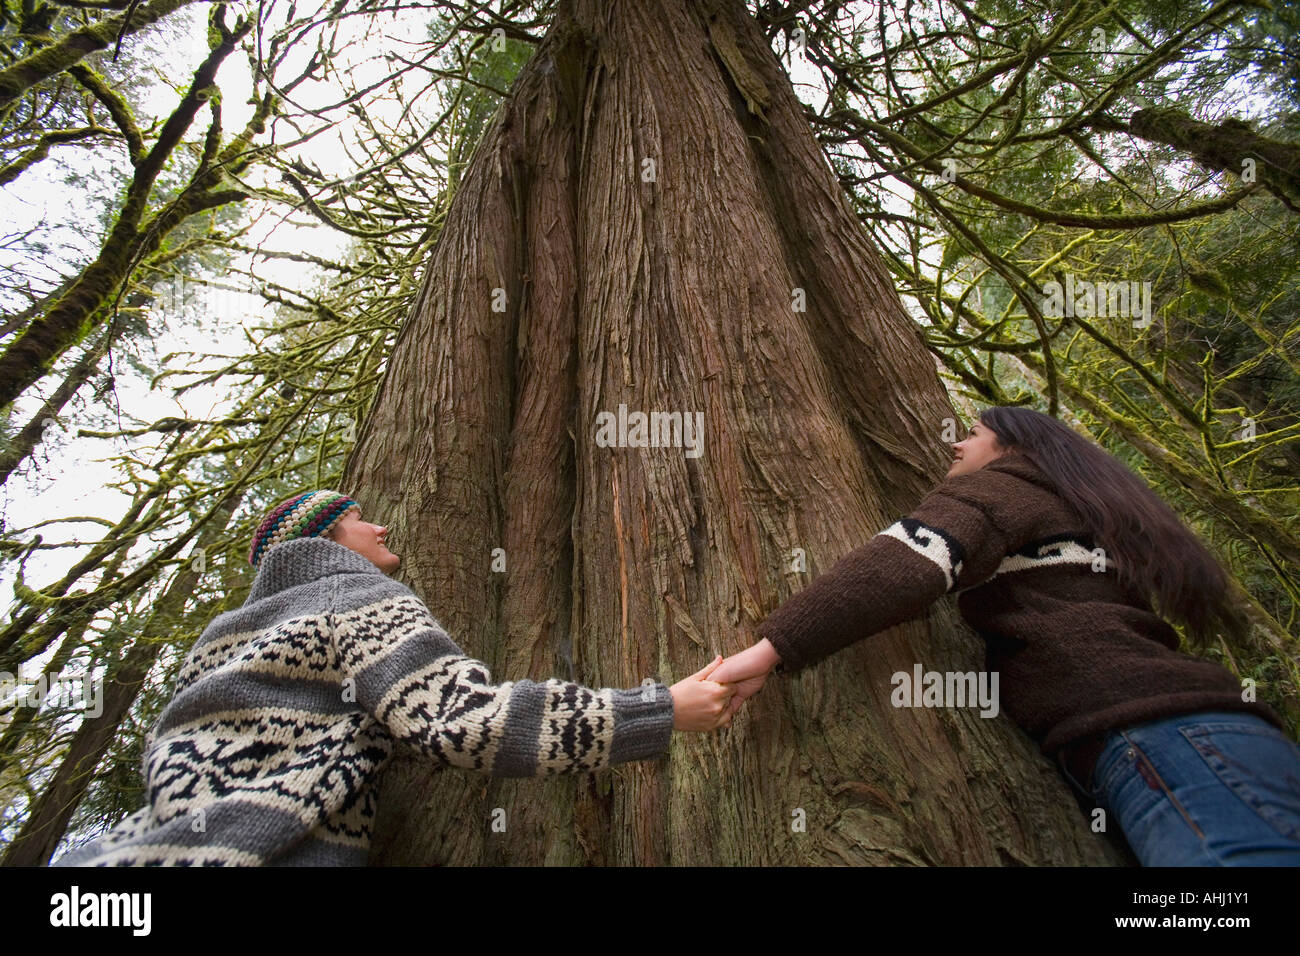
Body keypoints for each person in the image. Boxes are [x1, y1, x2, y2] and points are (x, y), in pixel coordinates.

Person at [712, 406, 1300, 866]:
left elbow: (906, 565)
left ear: (1015, 447)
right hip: (1205, 736)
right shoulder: (1086, 509)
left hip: (1160, 740)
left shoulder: (1009, 484)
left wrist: (771, 649)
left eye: (971, 433)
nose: (956, 443)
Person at [53, 490, 735, 866]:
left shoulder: (219, 637)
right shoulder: (353, 598)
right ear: (323, 540)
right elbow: (462, 722)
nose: (378, 523)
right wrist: (661, 710)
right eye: (355, 517)